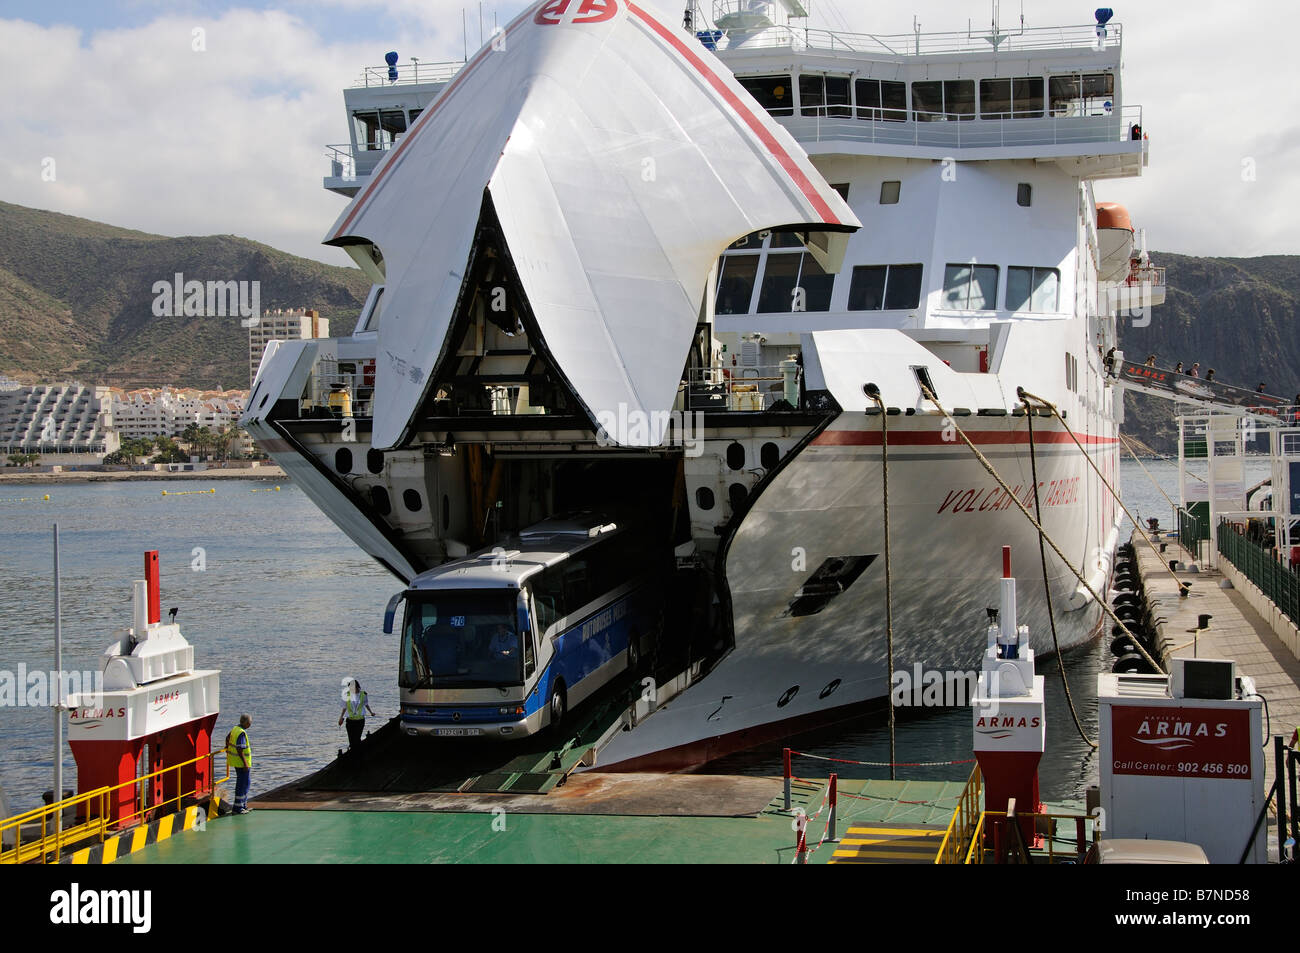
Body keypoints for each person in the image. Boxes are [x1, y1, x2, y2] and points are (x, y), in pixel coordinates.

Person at [225, 714, 253, 815]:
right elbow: (240, 749)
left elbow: (227, 738)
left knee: (243, 783)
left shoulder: (235, 729)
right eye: (250, 722)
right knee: (243, 784)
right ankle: (238, 808)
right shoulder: (241, 733)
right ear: (246, 723)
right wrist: (245, 763)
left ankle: (242, 805)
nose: (250, 724)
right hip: (241, 764)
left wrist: (227, 749)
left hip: (236, 762)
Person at [339, 680, 376, 756]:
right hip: (350, 721)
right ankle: (354, 755)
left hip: (360, 721)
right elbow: (344, 708)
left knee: (357, 739)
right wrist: (341, 718)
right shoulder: (346, 695)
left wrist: (371, 712)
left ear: (357, 687)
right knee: (351, 740)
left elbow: (366, 704)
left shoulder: (363, 694)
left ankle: (357, 756)